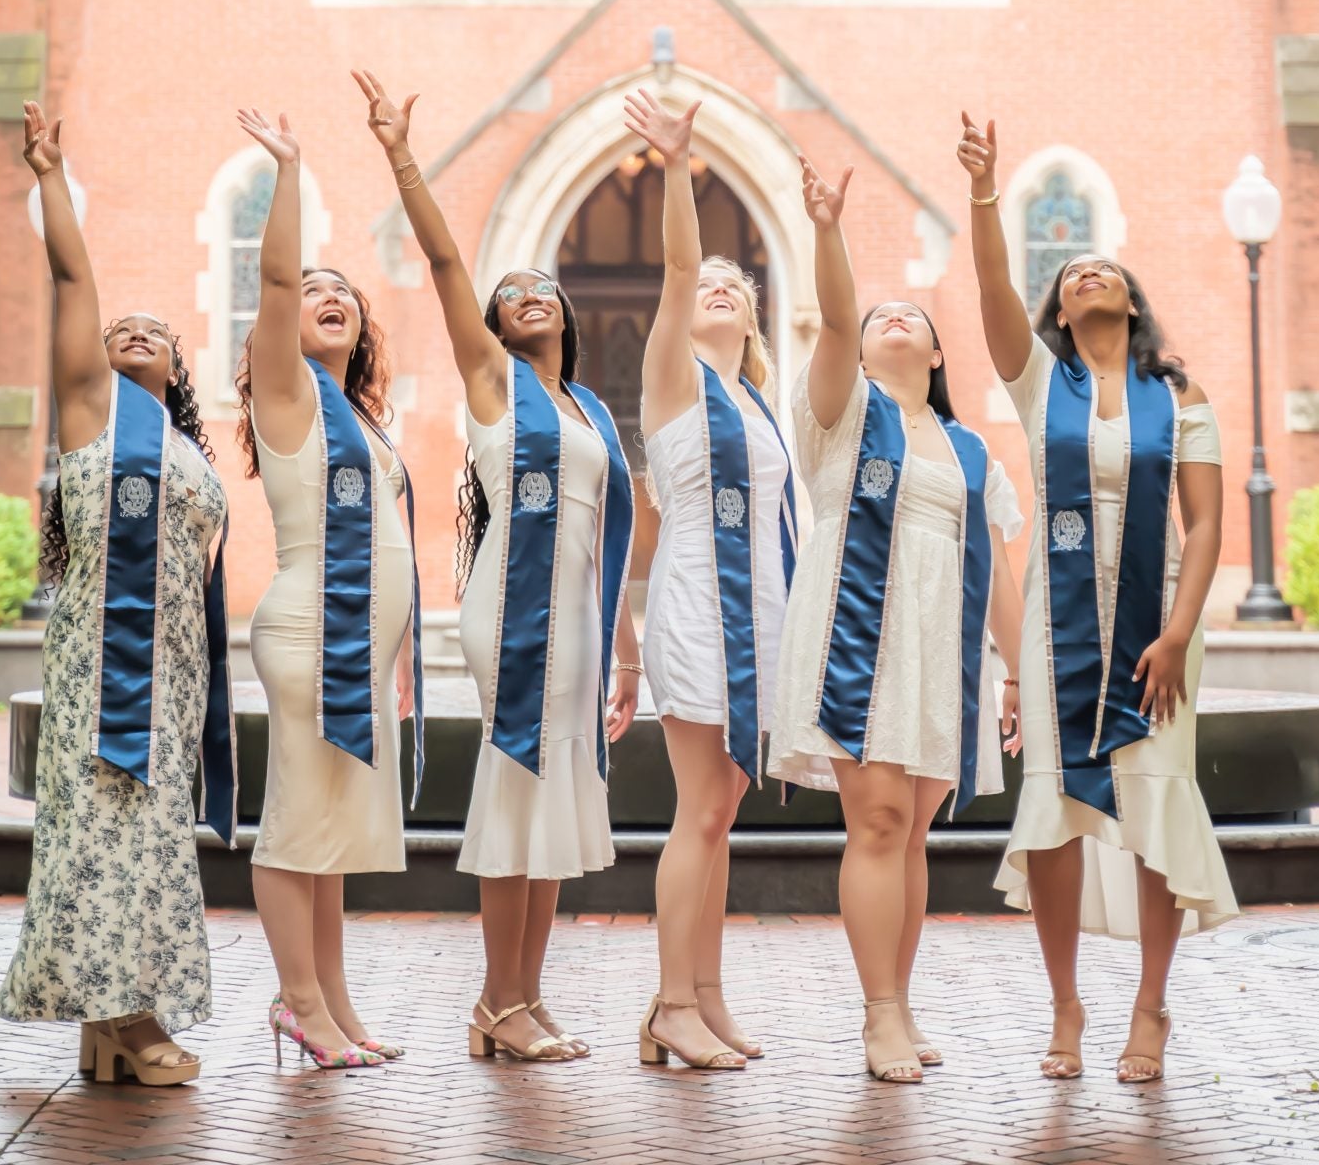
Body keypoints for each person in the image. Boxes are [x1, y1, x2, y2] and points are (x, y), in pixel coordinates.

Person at [355, 66, 640, 1064]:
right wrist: (401, 155)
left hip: (578, 614)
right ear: (496, 323)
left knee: (554, 796)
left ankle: (524, 997)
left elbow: (607, 535)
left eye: (538, 289)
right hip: (513, 608)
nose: (524, 297)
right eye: (507, 294)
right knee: (519, 785)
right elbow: (443, 260)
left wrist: (624, 645)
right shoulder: (493, 382)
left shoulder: (586, 411)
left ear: (565, 313)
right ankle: (492, 1000)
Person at [956, 112, 1236, 1087]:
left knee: (1154, 804)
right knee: (1054, 808)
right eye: (1070, 272)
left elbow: (1205, 524)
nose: (1086, 271)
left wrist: (1176, 634)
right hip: (1055, 627)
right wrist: (985, 191)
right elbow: (990, 287)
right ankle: (1065, 1005)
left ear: (1130, 299)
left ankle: (1149, 1006)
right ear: (1059, 309)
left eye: (1102, 267)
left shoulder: (1180, 397)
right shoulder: (1041, 384)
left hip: (1159, 625)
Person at [769, 152, 1023, 1085]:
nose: (892, 319)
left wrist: (1016, 673)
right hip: (856, 641)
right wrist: (825, 227)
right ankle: (876, 1014)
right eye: (881, 317)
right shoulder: (837, 414)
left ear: (939, 354)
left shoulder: (968, 450)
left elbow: (996, 569)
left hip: (936, 650)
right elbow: (837, 317)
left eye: (912, 315)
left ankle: (900, 1001)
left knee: (912, 833)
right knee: (875, 821)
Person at [0, 104, 236, 1087]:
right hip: (102, 665)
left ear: (179, 367)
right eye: (119, 328)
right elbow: (71, 279)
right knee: (103, 833)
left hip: (170, 674)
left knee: (148, 838)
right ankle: (126, 1017)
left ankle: (116, 1016)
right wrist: (51, 175)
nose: (133, 329)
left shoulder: (187, 451)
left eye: (155, 330)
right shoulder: (94, 415)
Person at [234, 107, 422, 1071]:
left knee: (334, 832)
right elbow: (272, 281)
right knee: (297, 817)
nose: (326, 295)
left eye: (342, 290)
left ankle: (335, 1003)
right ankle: (297, 1001)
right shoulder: (288, 393)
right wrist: (288, 169)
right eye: (312, 291)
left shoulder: (364, 421)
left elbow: (391, 542)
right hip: (310, 629)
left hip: (358, 643)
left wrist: (399, 656)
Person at [629, 86, 797, 1072]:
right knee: (698, 807)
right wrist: (677, 164)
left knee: (722, 813)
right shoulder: (674, 375)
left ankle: (707, 994)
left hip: (759, 613)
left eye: (737, 281)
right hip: (698, 604)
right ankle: (667, 1004)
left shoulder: (759, 402)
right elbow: (681, 263)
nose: (718, 285)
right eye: (709, 283)